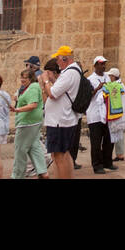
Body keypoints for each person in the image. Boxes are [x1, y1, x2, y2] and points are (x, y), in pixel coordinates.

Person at [39, 47, 83, 180]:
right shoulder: (71, 72)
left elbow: (52, 94)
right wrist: (53, 81)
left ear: (65, 59)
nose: (57, 62)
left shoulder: (69, 73)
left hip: (59, 120)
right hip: (63, 119)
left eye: (58, 58)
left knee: (59, 156)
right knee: (64, 154)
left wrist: (46, 80)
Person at [10, 67, 47, 178]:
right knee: (34, 147)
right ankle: (43, 171)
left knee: (20, 149)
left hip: (28, 123)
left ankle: (17, 175)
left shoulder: (33, 87)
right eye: (21, 77)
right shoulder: (27, 88)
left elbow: (33, 104)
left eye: (25, 78)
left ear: (31, 78)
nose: (22, 80)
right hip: (31, 122)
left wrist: (17, 110)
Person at [87, 56, 116, 174]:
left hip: (107, 114)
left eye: (104, 63)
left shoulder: (107, 78)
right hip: (94, 115)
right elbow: (88, 96)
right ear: (95, 66)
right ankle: (97, 165)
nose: (103, 66)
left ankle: (107, 162)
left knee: (109, 140)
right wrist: (98, 88)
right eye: (100, 64)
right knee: (96, 142)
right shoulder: (90, 80)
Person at [104, 67, 125, 162]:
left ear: (113, 76)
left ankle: (119, 154)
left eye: (110, 75)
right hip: (121, 112)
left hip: (117, 113)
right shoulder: (121, 85)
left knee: (116, 133)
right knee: (118, 134)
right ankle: (119, 154)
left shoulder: (116, 86)